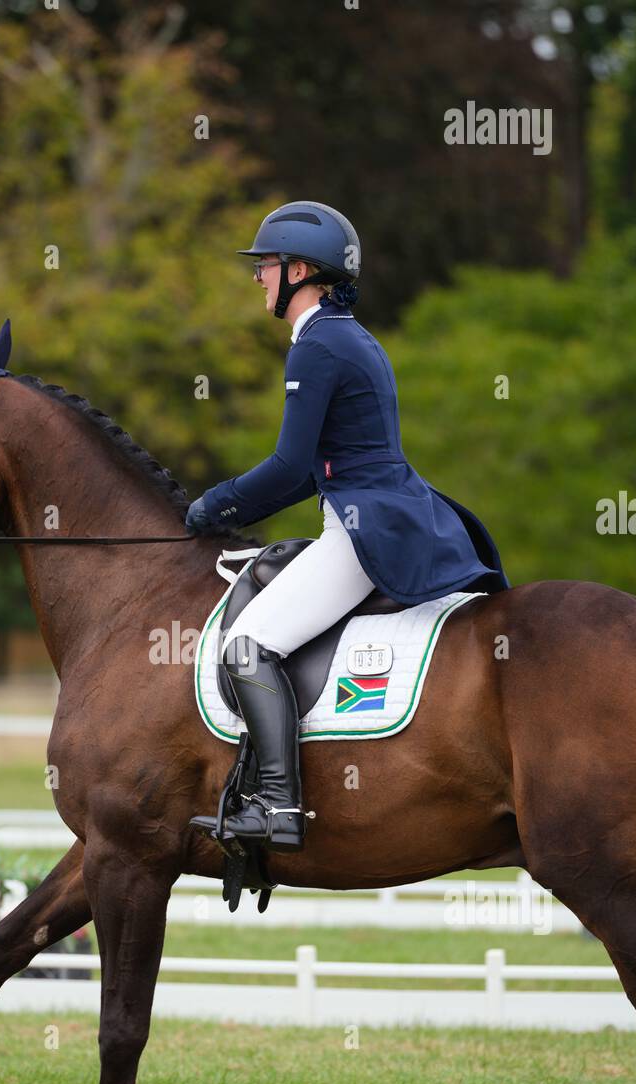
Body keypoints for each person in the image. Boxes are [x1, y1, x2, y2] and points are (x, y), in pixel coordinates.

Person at [186, 200, 508, 853]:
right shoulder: (344, 335)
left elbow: (287, 467)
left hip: (364, 533)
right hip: (379, 514)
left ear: (300, 270)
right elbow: (316, 470)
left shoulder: (319, 345)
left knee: (247, 644)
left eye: (266, 266)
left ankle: (276, 803)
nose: (257, 279)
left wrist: (211, 507)